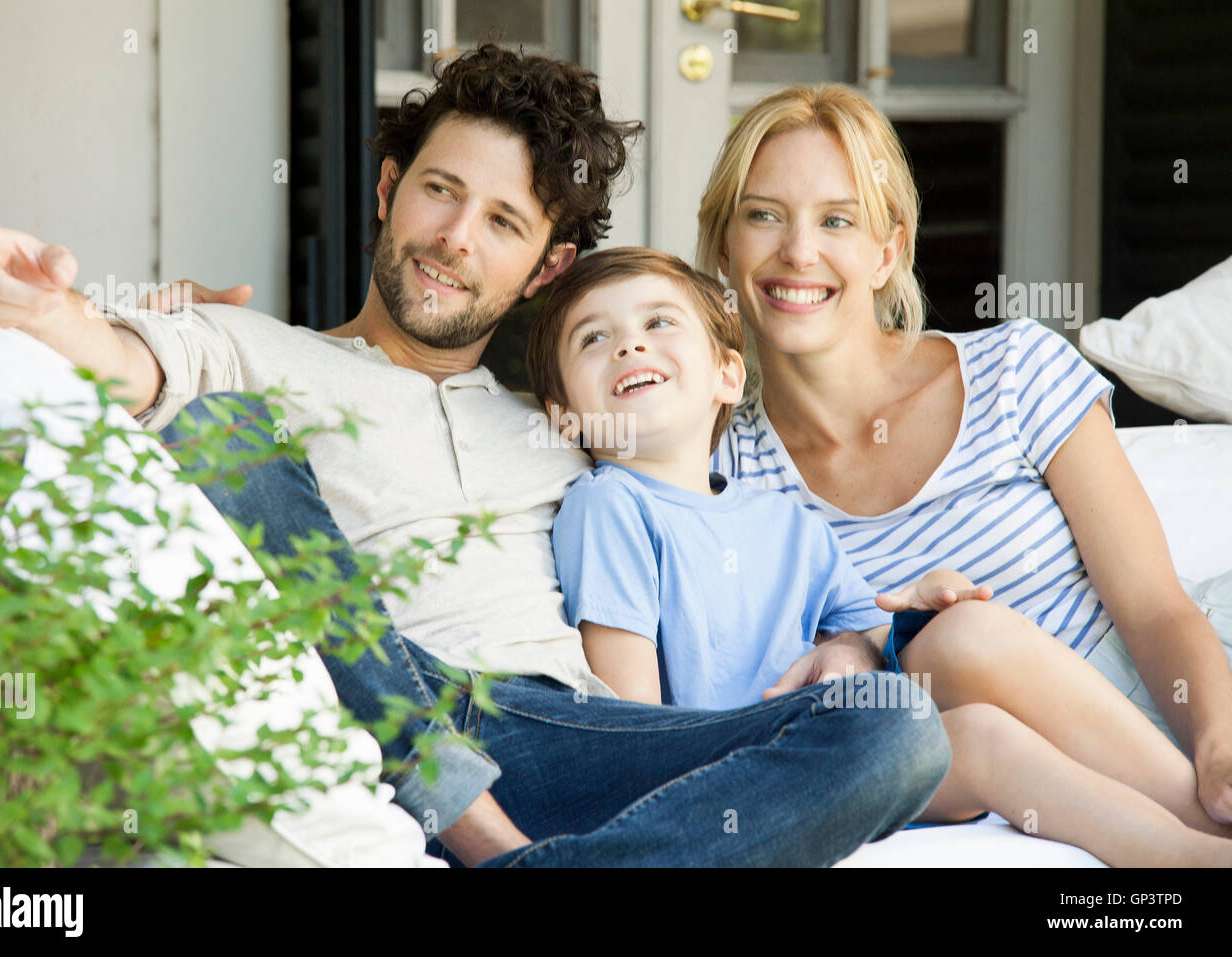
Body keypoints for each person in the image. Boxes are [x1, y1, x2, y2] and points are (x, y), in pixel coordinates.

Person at [0, 46, 951, 867]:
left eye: (502, 220)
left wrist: (861, 639)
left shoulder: (568, 420)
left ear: (548, 265)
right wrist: (42, 311)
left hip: (578, 739)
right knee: (221, 432)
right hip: (400, 703)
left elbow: (721, 522)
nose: (456, 237)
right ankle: (480, 837)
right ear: (389, 189)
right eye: (439, 191)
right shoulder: (249, 347)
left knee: (894, 726)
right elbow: (123, 367)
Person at [526, 245, 1232, 865]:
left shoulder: (780, 517)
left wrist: (920, 601)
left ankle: (1193, 853)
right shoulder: (610, 504)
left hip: (844, 748)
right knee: (963, 704)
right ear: (564, 419)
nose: (629, 346)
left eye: (658, 323)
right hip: (743, 776)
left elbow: (869, 637)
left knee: (981, 730)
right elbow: (634, 731)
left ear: (728, 377)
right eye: (594, 338)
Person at [697, 83, 1232, 826]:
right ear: (723, 242)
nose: (798, 251)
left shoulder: (1014, 370)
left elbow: (1154, 606)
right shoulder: (723, 477)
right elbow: (782, 695)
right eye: (763, 215)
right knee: (953, 638)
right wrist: (866, 646)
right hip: (1012, 766)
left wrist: (1217, 744)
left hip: (1175, 695)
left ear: (889, 250)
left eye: (837, 220)